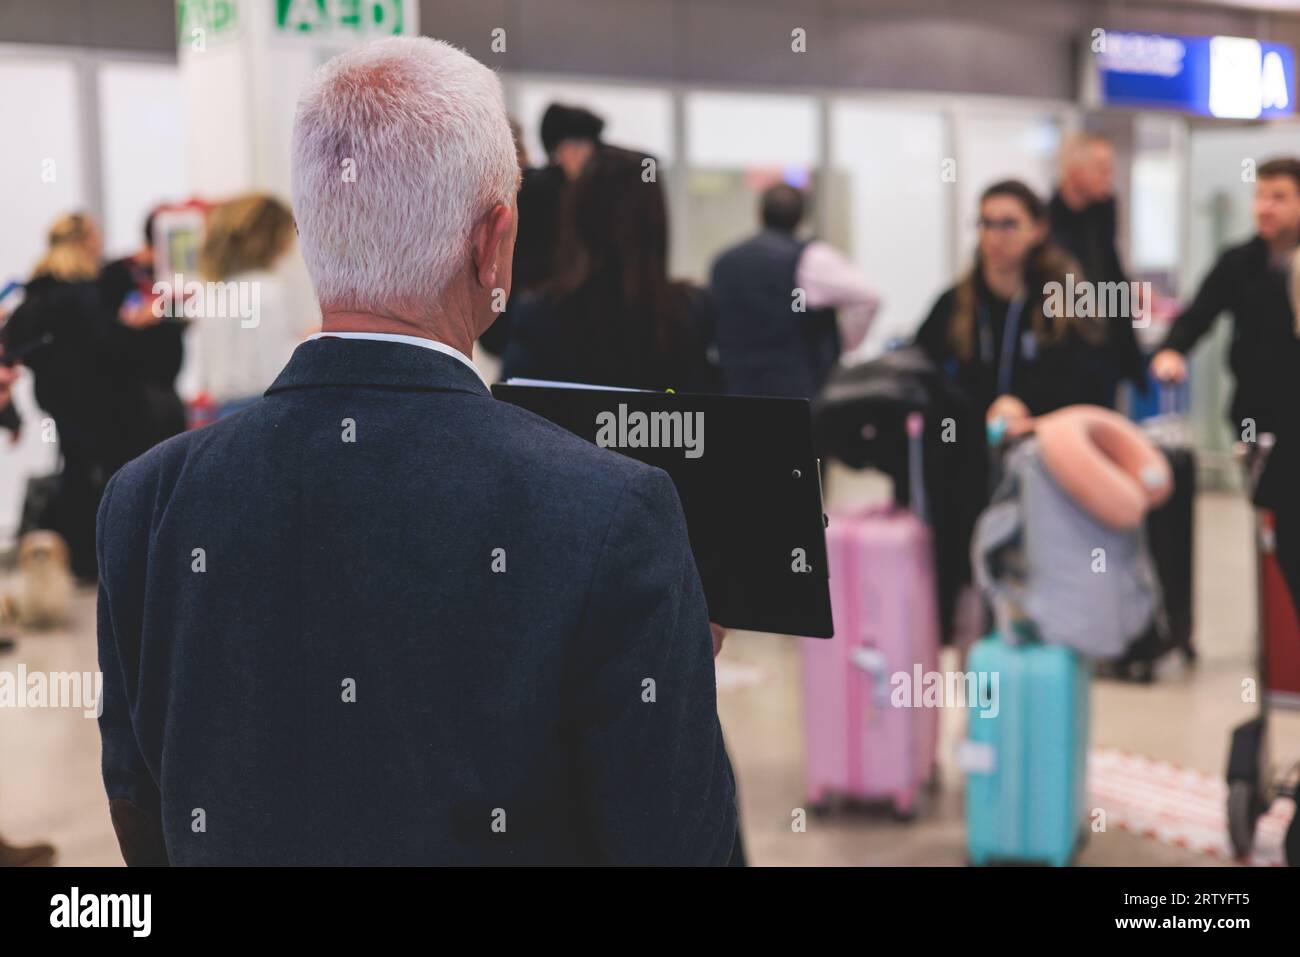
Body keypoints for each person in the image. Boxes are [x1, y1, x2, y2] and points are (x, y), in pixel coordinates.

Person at [95, 36, 736, 866]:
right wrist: (679, 662)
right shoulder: (613, 512)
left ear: (314, 225)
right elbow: (676, 840)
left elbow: (136, 803)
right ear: (492, 242)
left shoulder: (146, 500)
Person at [914, 179, 1101, 642]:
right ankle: (979, 693)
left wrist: (1030, 411)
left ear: (1037, 230)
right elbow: (923, 375)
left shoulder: (1066, 301)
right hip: (965, 475)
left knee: (1036, 592)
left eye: (1008, 224)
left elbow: (1092, 382)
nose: (995, 236)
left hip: (1042, 474)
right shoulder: (955, 303)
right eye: (986, 223)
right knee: (968, 594)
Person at [1151, 157, 1300, 610]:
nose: (1265, 208)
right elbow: (1200, 313)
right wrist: (1172, 349)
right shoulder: (1241, 263)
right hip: (1260, 418)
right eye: (1260, 196)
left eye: (1279, 198)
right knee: (1282, 536)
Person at [500, 144, 714, 391]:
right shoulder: (692, 313)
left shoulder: (540, 314)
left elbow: (515, 411)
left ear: (578, 216)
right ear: (655, 221)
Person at [0, 213, 135, 580]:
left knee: (73, 468)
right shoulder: (84, 291)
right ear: (85, 241)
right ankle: (98, 561)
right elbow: (107, 343)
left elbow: (16, 343)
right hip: (94, 396)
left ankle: (76, 557)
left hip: (55, 396)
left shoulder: (37, 288)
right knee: (102, 473)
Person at [709, 183, 879, 399]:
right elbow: (868, 298)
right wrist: (841, 344)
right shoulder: (812, 259)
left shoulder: (724, 262)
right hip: (796, 396)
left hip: (734, 391)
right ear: (802, 217)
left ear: (760, 213)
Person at [479, 104, 605, 359]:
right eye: (579, 145)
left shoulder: (583, 193)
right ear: (559, 149)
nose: (589, 154)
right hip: (527, 317)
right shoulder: (539, 190)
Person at [1047, 133, 1145, 408]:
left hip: (1107, 354)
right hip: (1065, 359)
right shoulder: (1047, 225)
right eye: (1102, 169)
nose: (1110, 176)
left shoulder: (1102, 213)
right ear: (1076, 172)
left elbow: (1109, 270)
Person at [192, 193, 305, 417]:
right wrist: (307, 343)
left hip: (224, 413)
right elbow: (277, 370)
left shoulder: (215, 292)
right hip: (264, 410)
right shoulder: (269, 290)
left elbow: (200, 375)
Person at [100, 209, 187, 452]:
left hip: (168, 385)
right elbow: (110, 327)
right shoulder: (118, 272)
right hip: (134, 392)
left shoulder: (169, 274)